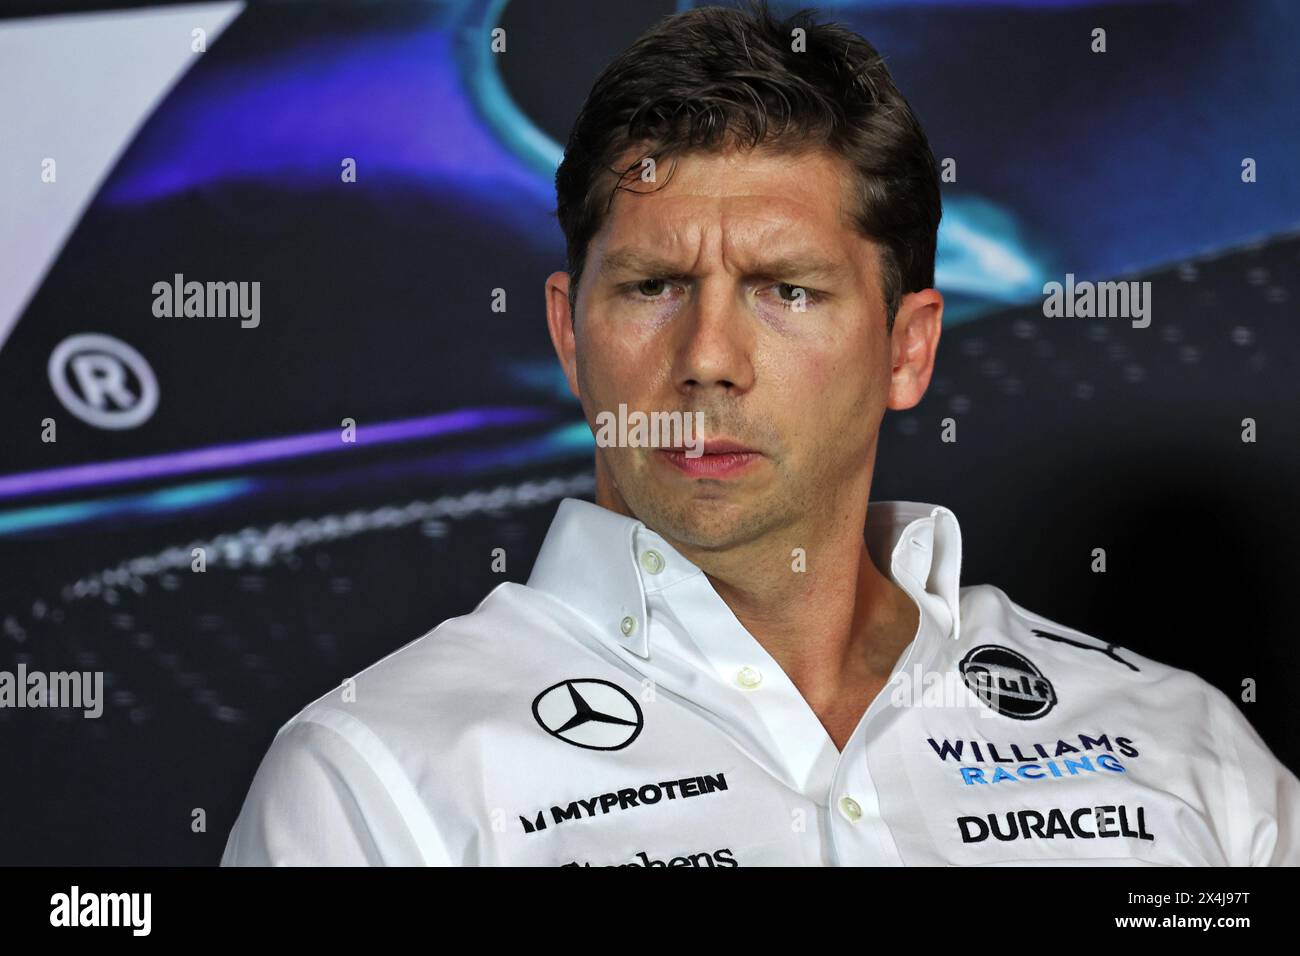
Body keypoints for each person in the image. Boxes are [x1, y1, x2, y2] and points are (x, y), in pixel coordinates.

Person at [222, 1, 1299, 866]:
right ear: (567, 333)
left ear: (906, 350)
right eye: (652, 286)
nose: (709, 356)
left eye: (786, 290)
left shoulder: (1180, 753)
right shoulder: (374, 780)